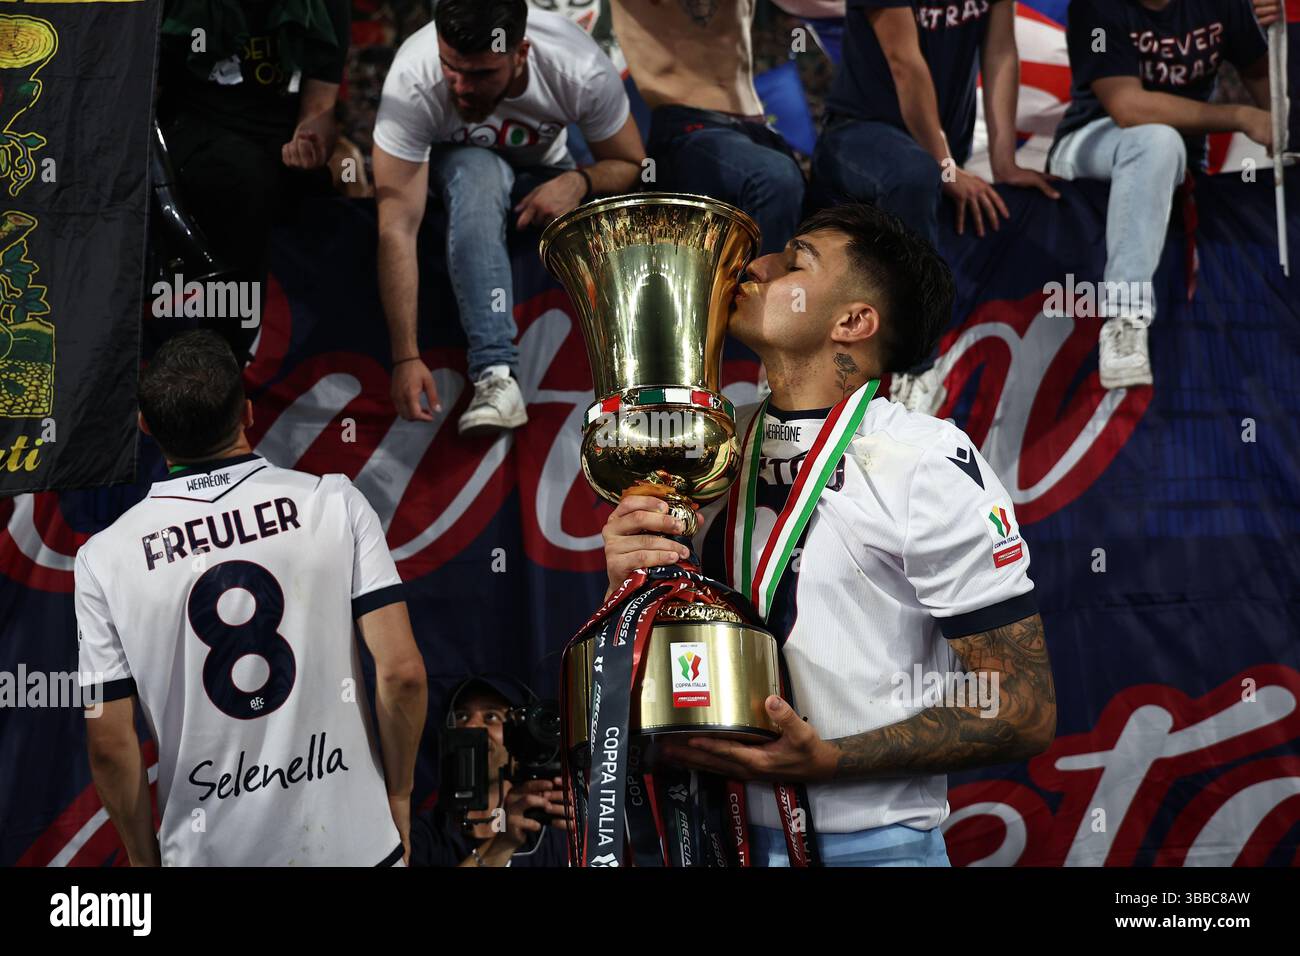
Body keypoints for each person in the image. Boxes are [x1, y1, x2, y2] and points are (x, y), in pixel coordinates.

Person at [600, 203, 1056, 867]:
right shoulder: (709, 449)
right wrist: (629, 583)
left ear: (852, 322)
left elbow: (1025, 707)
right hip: (710, 837)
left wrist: (832, 760)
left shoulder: (923, 458)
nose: (752, 267)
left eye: (793, 261)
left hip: (874, 849)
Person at [77, 331, 428, 866]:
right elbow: (402, 674)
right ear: (247, 413)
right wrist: (399, 793)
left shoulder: (104, 557)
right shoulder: (333, 502)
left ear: (145, 426)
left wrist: (145, 862)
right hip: (357, 848)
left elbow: (109, 744)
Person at [374, 0, 644, 437]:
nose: (462, 88)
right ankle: (495, 375)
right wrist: (405, 356)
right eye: (451, 69)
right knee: (479, 169)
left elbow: (631, 163)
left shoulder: (578, 67)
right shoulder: (412, 76)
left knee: (613, 214)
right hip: (457, 179)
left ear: (521, 53)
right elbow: (397, 228)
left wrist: (579, 181)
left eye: (482, 75)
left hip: (546, 172)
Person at [810, 0, 1059, 414]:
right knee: (915, 175)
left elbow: (1000, 51)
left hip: (935, 150)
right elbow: (903, 62)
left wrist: (1004, 161)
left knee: (924, 173)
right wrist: (944, 167)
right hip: (859, 134)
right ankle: (918, 371)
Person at [1047, 0, 1272, 389]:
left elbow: (1264, 77)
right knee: (1158, 140)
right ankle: (1125, 319)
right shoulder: (1096, 8)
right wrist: (1241, 117)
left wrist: (1284, 126)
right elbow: (1127, 108)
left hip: (1180, 162)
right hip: (1086, 146)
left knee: (1165, 147)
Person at [155, 0, 351, 362]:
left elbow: (320, 108)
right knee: (241, 178)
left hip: (280, 139)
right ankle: (225, 351)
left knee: (341, 179)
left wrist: (312, 141)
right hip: (195, 128)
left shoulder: (324, 6)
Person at [611, 0, 805, 255]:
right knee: (774, 178)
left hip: (755, 128)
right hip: (689, 128)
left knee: (827, 215)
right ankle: (766, 293)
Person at [409, 677, 569, 866]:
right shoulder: (424, 831)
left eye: (491, 716)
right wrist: (502, 843)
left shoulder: (556, 825)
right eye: (461, 716)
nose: (471, 727)